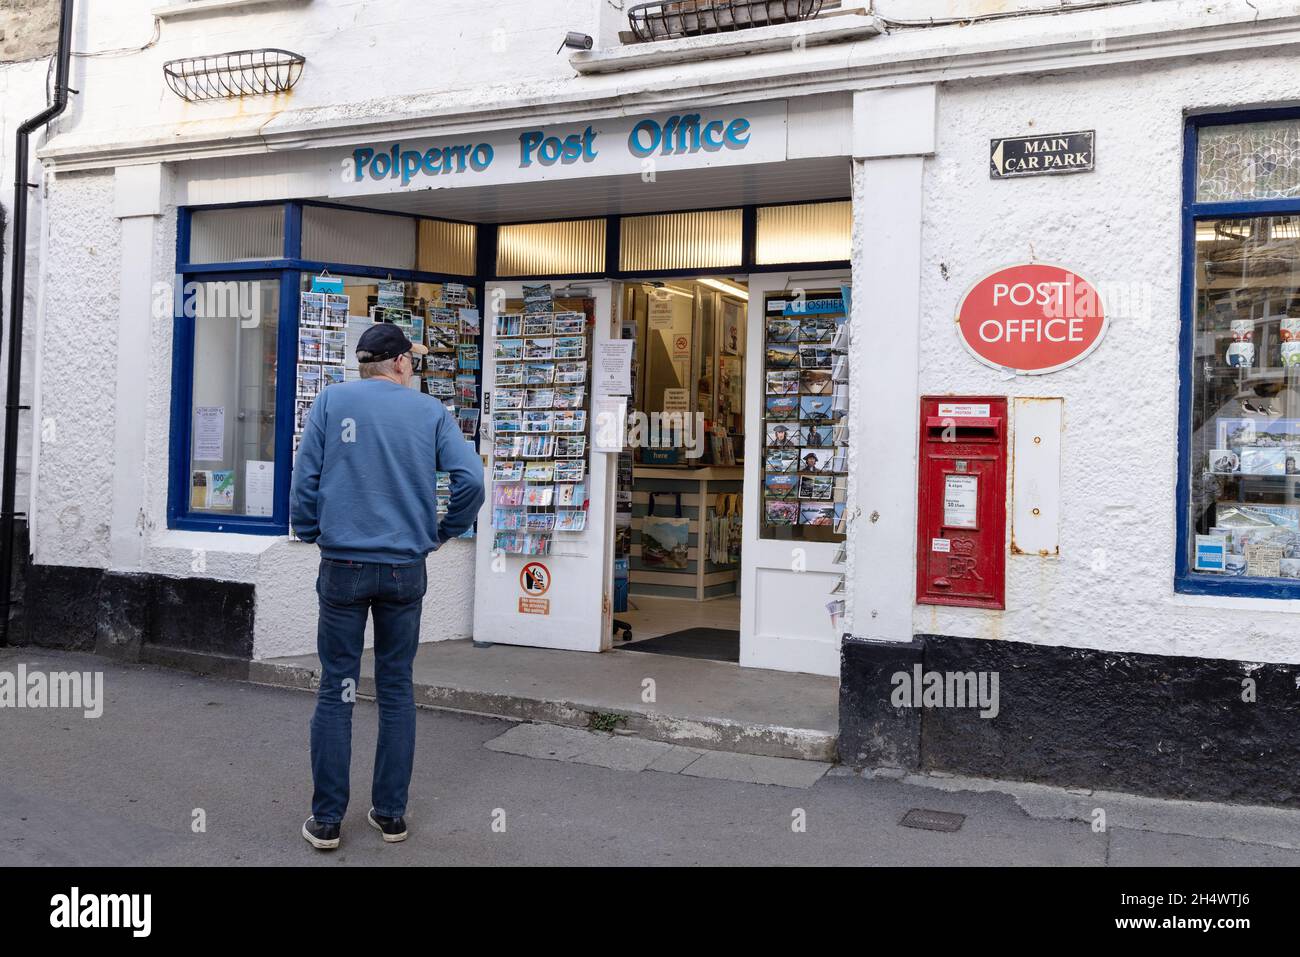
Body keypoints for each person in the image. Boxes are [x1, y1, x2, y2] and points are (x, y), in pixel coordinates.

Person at [290, 322, 485, 851]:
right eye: (413, 361)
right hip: (403, 567)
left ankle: (327, 821)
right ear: (400, 362)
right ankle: (391, 815)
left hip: (344, 565)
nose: (414, 369)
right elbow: (473, 481)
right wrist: (444, 531)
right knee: (396, 687)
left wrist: (309, 529)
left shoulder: (331, 403)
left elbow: (306, 478)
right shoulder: (429, 412)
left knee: (338, 687)